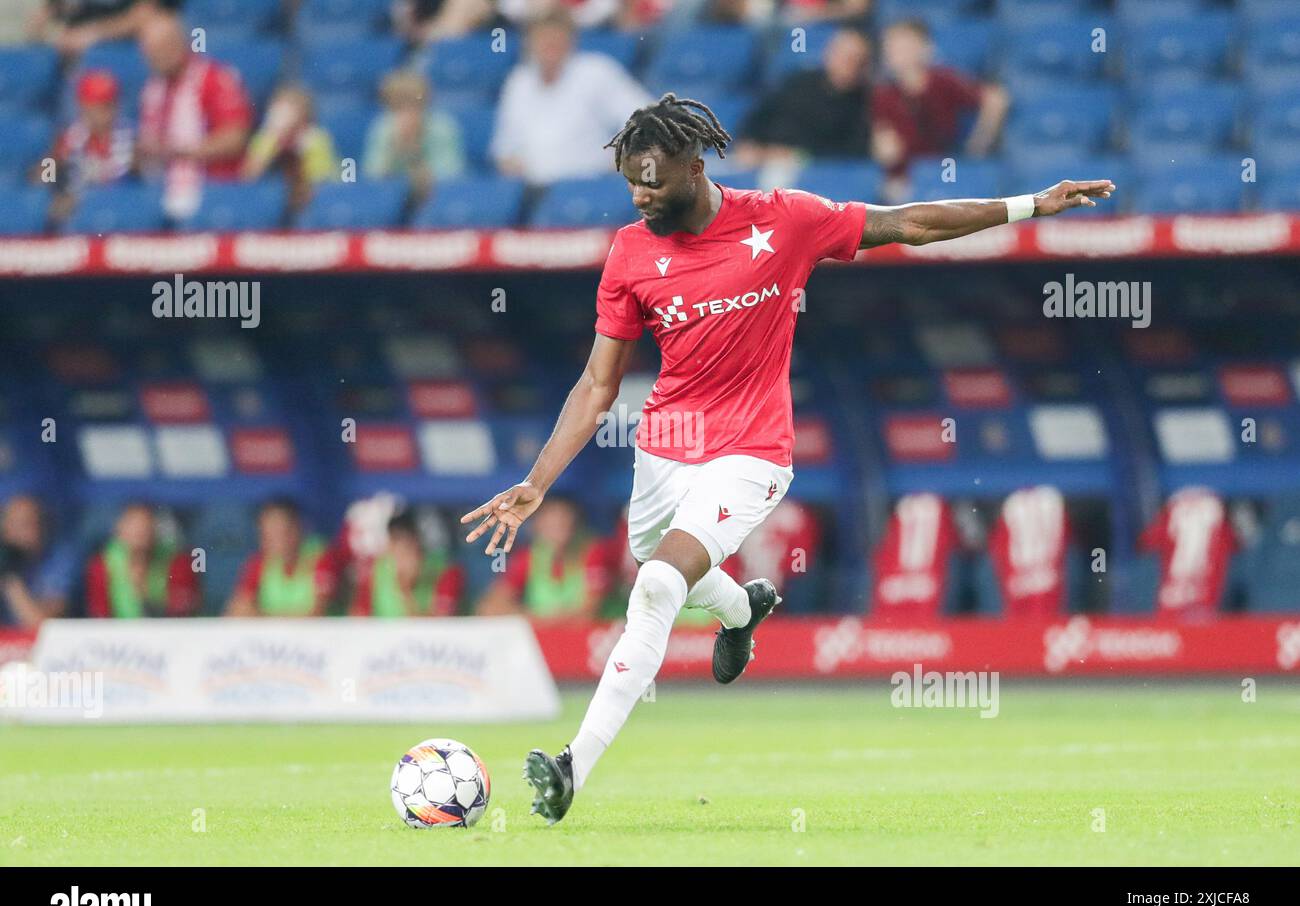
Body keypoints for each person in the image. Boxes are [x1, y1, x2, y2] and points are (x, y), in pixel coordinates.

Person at [461, 90, 1114, 824]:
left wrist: (1031, 204)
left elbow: (911, 222)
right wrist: (536, 482)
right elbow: (596, 383)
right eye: (630, 181)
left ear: (695, 164)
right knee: (652, 560)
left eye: (654, 179)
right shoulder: (630, 252)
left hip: (752, 450)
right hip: (666, 445)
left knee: (655, 586)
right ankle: (741, 611)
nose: (641, 194)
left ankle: (571, 766)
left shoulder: (784, 219)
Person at [490, 8, 649, 186]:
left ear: (570, 41)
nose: (549, 47)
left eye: (555, 40)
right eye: (542, 39)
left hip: (590, 183)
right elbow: (504, 150)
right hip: (534, 192)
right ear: (529, 42)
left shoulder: (596, 72)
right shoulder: (519, 82)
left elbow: (646, 118)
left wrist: (619, 161)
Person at [871, 18, 1008, 199]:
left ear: (924, 47)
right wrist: (882, 150)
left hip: (945, 166)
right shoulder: (882, 94)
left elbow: (996, 99)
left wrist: (979, 143)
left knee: (953, 194)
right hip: (906, 175)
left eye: (904, 45)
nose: (896, 52)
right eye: (891, 46)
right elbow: (882, 145)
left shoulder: (943, 80)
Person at [135, 12, 252, 220]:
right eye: (149, 53)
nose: (153, 60)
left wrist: (180, 151)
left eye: (159, 51)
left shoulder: (214, 79)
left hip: (212, 193)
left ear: (178, 45)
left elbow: (235, 138)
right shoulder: (153, 88)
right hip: (161, 194)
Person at [733, 26, 873, 167]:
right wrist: (748, 142)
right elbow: (760, 114)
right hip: (762, 158)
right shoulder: (799, 81)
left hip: (809, 170)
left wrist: (796, 155)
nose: (847, 63)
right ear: (828, 53)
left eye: (855, 58)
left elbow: (847, 153)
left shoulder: (863, 103)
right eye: (841, 54)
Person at [476, 497, 610, 619]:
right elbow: (489, 606)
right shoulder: (527, 557)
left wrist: (536, 618)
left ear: (575, 524)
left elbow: (589, 613)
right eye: (551, 522)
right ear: (536, 526)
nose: (558, 525)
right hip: (542, 635)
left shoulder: (592, 552)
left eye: (564, 520)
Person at [44, 69, 136, 226]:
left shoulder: (132, 138)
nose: (102, 113)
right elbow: (44, 177)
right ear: (83, 107)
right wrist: (55, 163)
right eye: (94, 106)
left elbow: (143, 182)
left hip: (119, 208)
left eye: (107, 105)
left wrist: (137, 164)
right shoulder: (69, 138)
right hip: (78, 210)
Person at [225, 499, 344, 617]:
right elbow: (237, 610)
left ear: (299, 528)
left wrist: (261, 617)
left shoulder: (322, 557)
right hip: (272, 635)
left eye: (281, 532)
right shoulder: (259, 562)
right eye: (267, 534)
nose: (275, 541)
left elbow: (317, 614)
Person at [364, 70, 464, 204]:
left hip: (436, 200)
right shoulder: (383, 127)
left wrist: (413, 154)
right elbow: (373, 179)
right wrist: (396, 148)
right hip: (389, 200)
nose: (408, 111)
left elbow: (449, 179)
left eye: (415, 103)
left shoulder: (442, 127)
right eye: (398, 105)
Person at [84, 503, 199, 618]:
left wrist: (144, 591)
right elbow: (99, 616)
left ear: (155, 530)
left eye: (145, 526)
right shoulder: (102, 564)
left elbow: (182, 613)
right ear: (119, 530)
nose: (140, 533)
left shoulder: (177, 561)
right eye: (133, 526)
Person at [243, 85, 338, 214]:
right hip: (273, 197)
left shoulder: (316, 139)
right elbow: (249, 175)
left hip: (312, 200)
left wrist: (299, 150)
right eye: (277, 111)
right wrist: (276, 143)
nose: (282, 117)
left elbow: (321, 177)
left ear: (304, 116)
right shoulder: (265, 138)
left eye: (289, 111)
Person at [351, 511, 464, 617]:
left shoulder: (446, 570)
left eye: (407, 550)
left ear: (418, 545)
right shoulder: (376, 568)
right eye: (396, 551)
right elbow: (359, 618)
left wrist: (405, 592)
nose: (402, 560)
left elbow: (435, 629)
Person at [0, 495, 76, 628]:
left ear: (43, 526)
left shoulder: (58, 562)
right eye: (13, 524)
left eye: (26, 524)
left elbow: (41, 625)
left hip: (43, 645)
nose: (17, 532)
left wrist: (9, 580)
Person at [26, 0, 177, 57]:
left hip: (129, 51)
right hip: (76, 53)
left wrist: (92, 34)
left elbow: (146, 13)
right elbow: (51, 10)